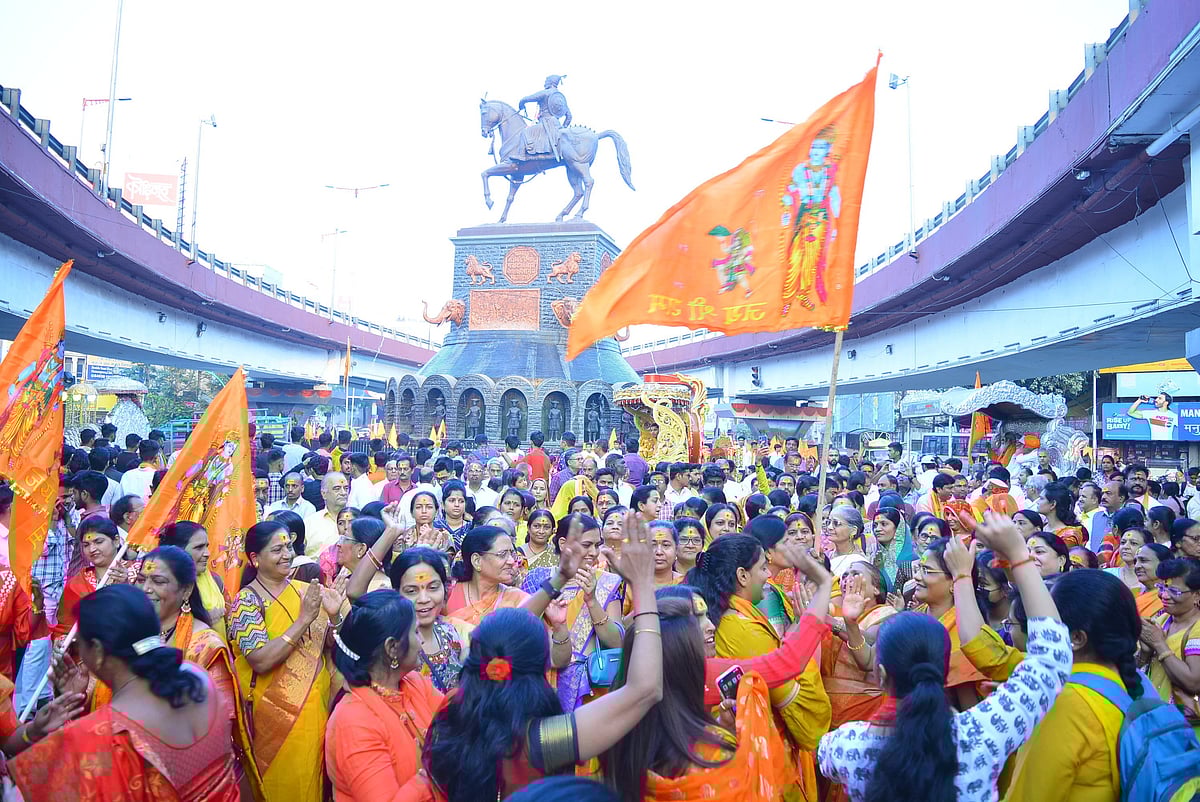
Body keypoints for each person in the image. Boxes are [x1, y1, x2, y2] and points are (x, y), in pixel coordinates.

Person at [818, 511, 1071, 802]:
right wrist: (1018, 555)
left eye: (927, 570)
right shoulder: (981, 735)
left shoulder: (846, 746)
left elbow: (823, 755)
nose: (917, 575)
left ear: (882, 674)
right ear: (943, 668)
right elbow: (1051, 661)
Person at [422, 511, 664, 801]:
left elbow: (497, 638)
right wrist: (643, 585)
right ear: (540, 667)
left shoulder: (450, 712)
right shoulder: (542, 741)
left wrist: (559, 579)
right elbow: (645, 689)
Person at [12, 585, 241, 801]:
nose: (78, 652)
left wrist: (57, 727)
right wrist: (78, 704)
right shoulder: (199, 677)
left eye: (79, 644)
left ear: (98, 652)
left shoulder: (104, 735)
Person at [688, 533, 831, 802]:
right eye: (763, 568)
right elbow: (790, 683)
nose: (768, 576)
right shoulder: (740, 626)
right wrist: (820, 590)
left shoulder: (733, 616)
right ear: (742, 576)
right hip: (760, 757)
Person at [1001, 569, 1146, 799]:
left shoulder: (1067, 702)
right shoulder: (1134, 684)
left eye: (1045, 623)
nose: (1035, 632)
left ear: (1076, 638)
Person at [229, 520, 346, 801]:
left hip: (316, 708)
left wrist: (334, 617)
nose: (286, 554)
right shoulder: (245, 601)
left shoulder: (306, 590)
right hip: (272, 714)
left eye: (289, 547)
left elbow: (329, 645)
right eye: (277, 549)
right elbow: (260, 660)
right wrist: (305, 618)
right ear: (255, 559)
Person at [135, 545, 262, 797]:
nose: (146, 589)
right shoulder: (129, 634)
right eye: (141, 580)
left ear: (186, 591)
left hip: (186, 779)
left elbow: (220, 725)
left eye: (157, 581)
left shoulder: (204, 645)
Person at [324, 589, 444, 800]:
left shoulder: (413, 683)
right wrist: (429, 775)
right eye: (415, 633)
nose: (421, 641)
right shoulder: (354, 721)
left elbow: (459, 725)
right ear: (392, 648)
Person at [520, 514, 624, 711]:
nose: (593, 552)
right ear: (563, 543)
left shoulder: (607, 582)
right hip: (539, 680)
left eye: (597, 544)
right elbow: (521, 623)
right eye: (586, 545)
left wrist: (592, 601)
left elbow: (617, 641)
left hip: (588, 689)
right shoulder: (538, 578)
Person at [819, 561, 897, 802]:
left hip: (864, 714)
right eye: (844, 575)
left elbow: (871, 641)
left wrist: (830, 622)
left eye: (856, 574)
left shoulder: (886, 614)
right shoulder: (832, 611)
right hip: (829, 715)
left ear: (876, 590)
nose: (847, 579)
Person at [1140, 558, 1200, 734]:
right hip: (1155, 722)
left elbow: (1193, 682)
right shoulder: (1162, 620)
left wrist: (1159, 644)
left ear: (1197, 595)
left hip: (1185, 733)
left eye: (1174, 590)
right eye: (1162, 587)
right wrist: (1144, 652)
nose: (1164, 596)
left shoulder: (1197, 628)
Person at [158, 521, 228, 644]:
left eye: (207, 546)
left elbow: (231, 624)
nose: (207, 553)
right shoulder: (157, 584)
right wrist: (202, 622)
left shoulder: (216, 580)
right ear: (177, 550)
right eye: (199, 547)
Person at [1037, 481, 1086, 547]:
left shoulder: (1068, 536)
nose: (1037, 502)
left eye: (1041, 498)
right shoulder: (1041, 528)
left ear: (1053, 504)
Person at [1133, 542, 1172, 619]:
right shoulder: (1132, 593)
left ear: (1164, 563)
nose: (1137, 566)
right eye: (1135, 562)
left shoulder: (1173, 595)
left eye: (1143, 560)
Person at [1103, 525, 1148, 591]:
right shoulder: (1107, 575)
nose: (1125, 547)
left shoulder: (1152, 580)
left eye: (1133, 543)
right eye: (1123, 542)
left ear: (1147, 547)